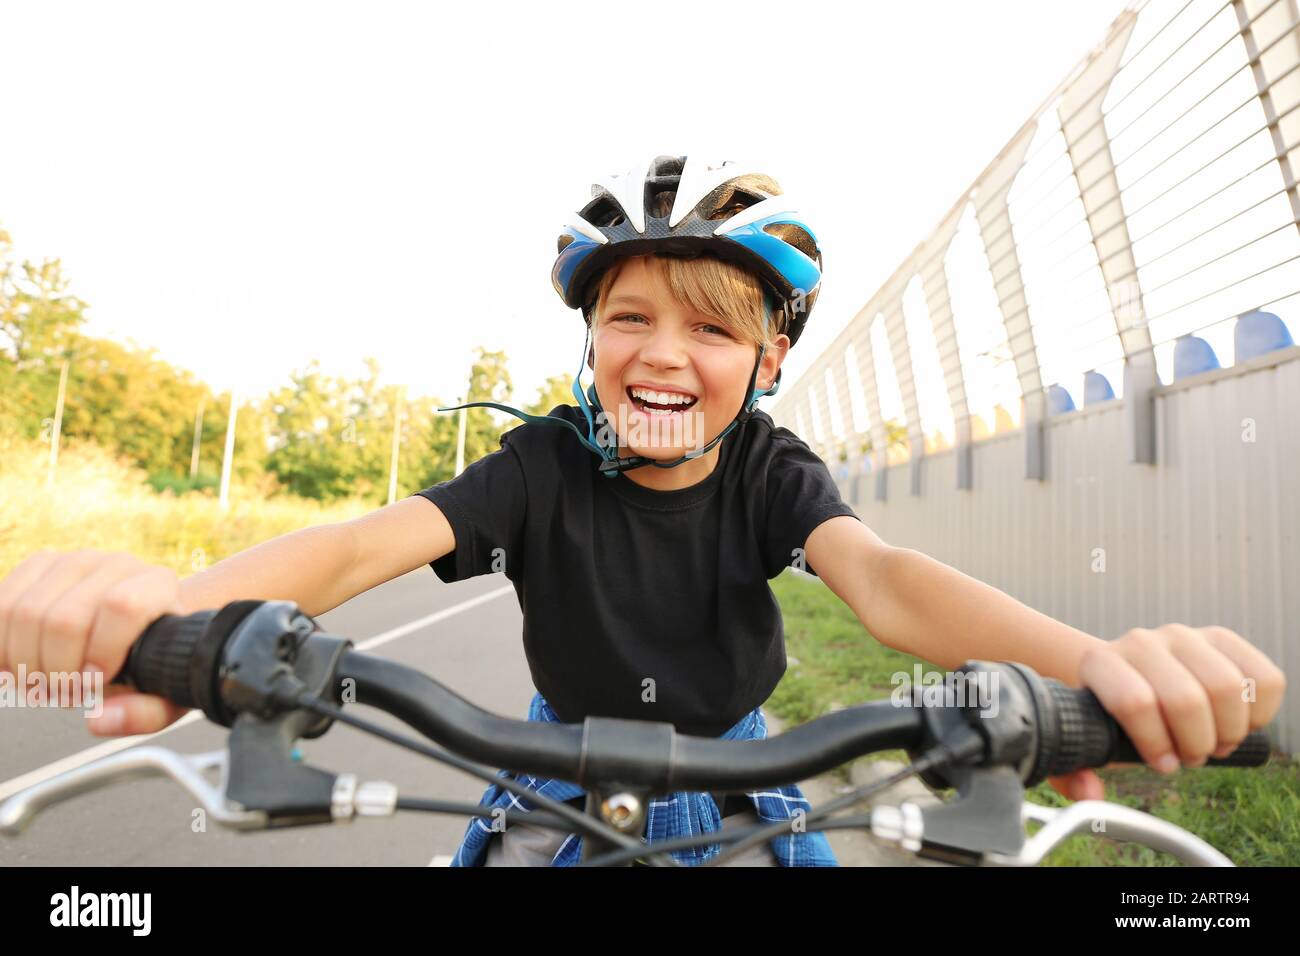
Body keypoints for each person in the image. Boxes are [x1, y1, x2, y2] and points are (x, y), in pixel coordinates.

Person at [0, 155, 1286, 867]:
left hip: (749, 765)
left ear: (770, 360)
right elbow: (353, 545)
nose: (663, 352)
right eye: (629, 314)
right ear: (591, 339)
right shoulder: (543, 464)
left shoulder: (770, 472)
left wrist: (1096, 669)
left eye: (713, 325)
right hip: (555, 766)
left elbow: (886, 581)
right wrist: (171, 609)